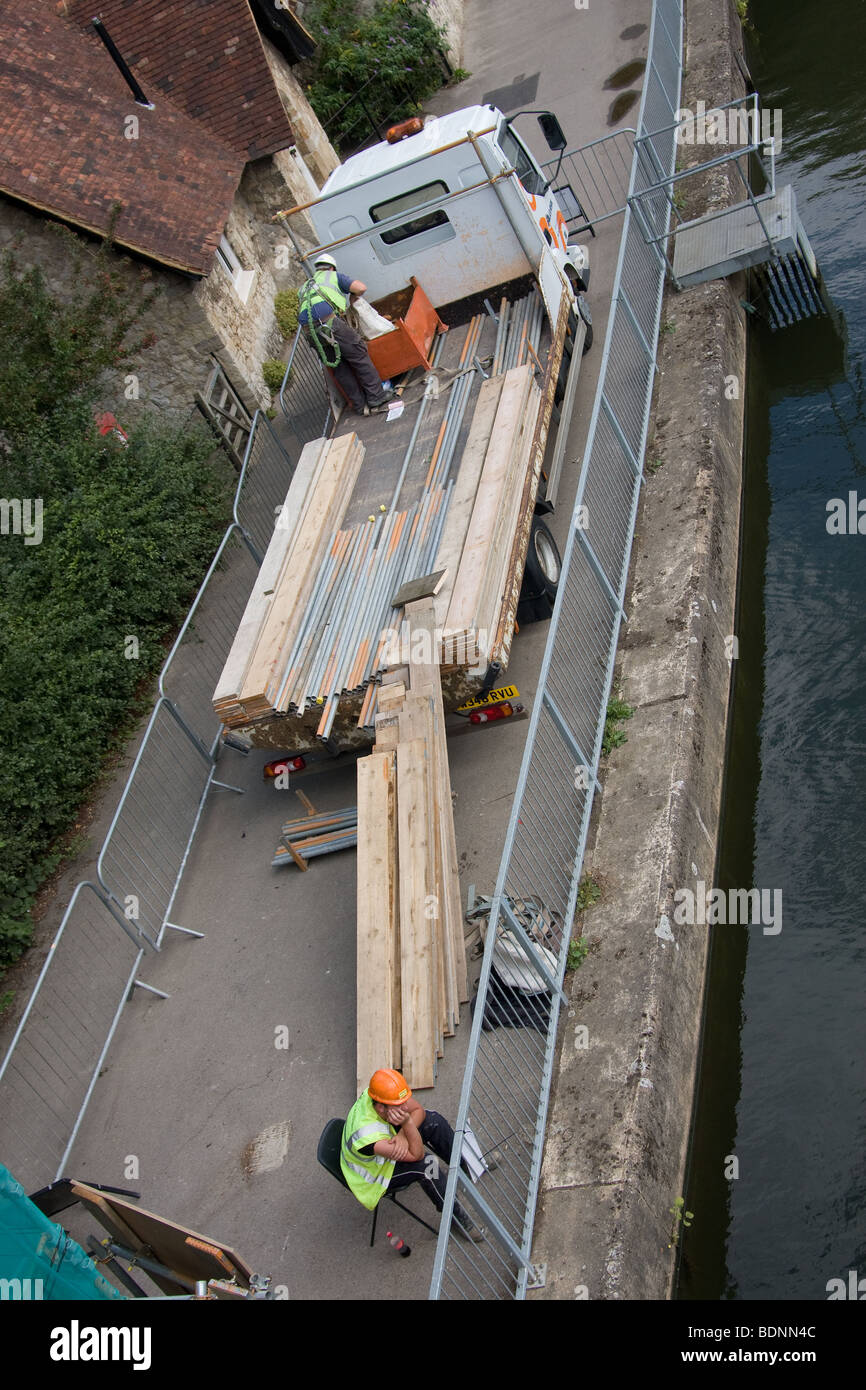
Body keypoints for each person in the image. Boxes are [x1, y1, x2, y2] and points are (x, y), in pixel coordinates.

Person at [340, 1068, 485, 1241]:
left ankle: (468, 1165)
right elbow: (417, 1155)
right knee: (427, 1165)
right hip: (378, 1174)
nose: (404, 1107)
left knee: (434, 1121)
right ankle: (453, 1215)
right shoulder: (368, 1136)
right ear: (380, 1107)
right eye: (398, 1106)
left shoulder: (381, 1096)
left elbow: (419, 1110)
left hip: (390, 1139)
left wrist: (402, 1134)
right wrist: (407, 1123)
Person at [298, 254, 395, 415]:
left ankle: (359, 405)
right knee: (358, 353)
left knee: (339, 367)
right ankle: (376, 396)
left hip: (310, 332)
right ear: (331, 267)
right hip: (330, 323)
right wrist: (352, 297)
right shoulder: (333, 275)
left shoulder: (305, 286)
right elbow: (361, 288)